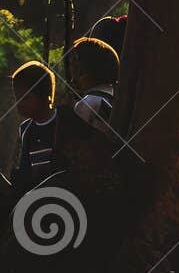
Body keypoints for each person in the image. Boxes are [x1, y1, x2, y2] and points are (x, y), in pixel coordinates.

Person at [7, 61, 62, 195]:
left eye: (25, 98)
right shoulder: (25, 129)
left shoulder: (62, 122)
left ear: (45, 96)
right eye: (16, 98)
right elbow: (24, 172)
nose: (19, 103)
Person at [64, 36, 118, 138]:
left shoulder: (88, 104)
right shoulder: (117, 99)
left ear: (82, 70)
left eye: (73, 65)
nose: (71, 71)